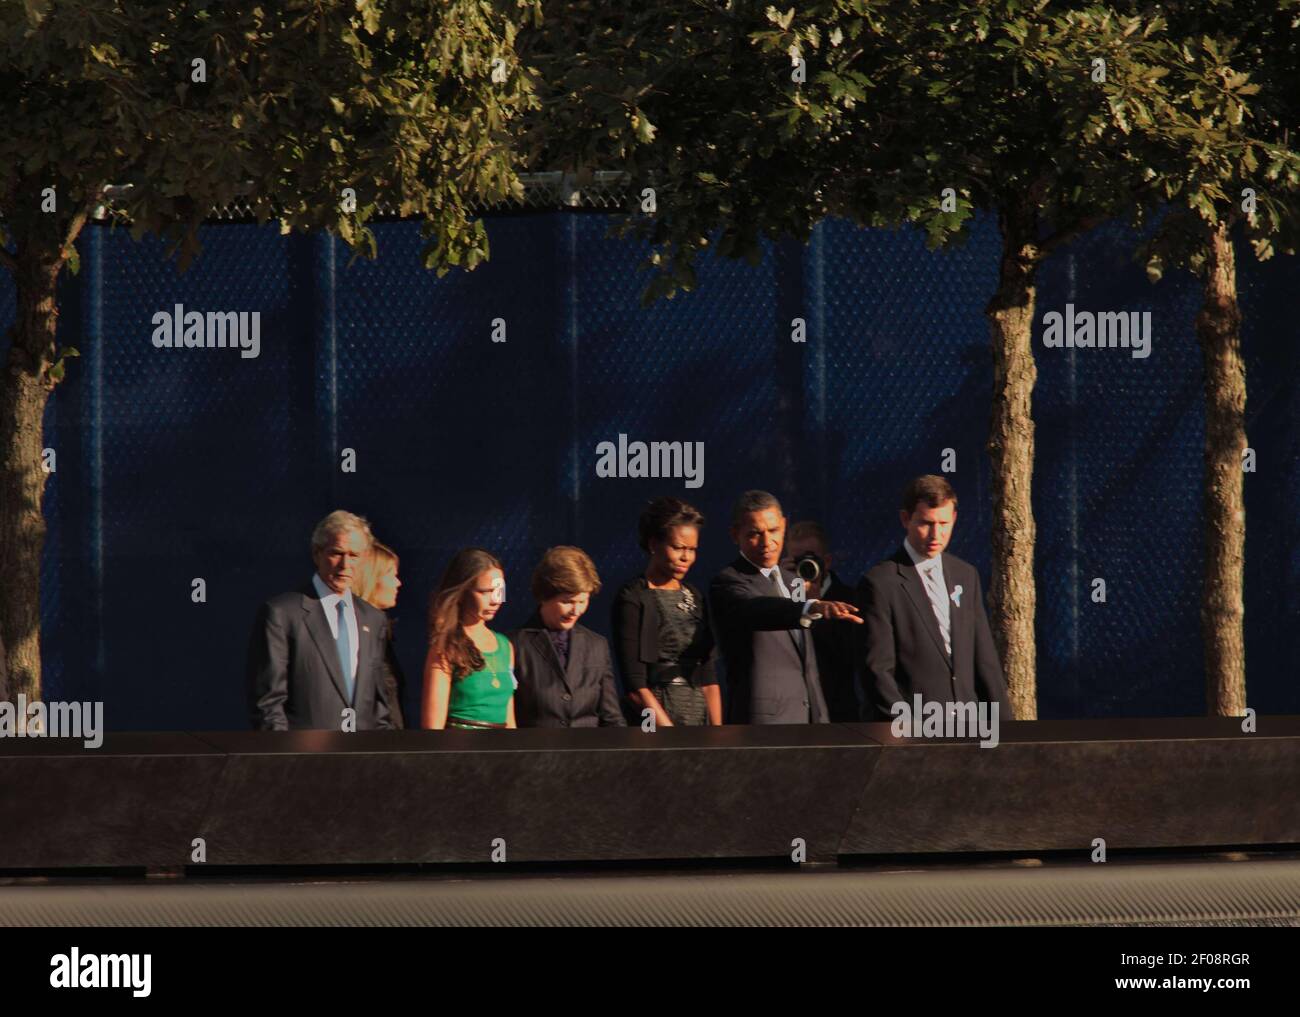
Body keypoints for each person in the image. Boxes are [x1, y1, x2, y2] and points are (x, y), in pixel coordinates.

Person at [857, 475, 1012, 721]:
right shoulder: (880, 582)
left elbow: (984, 660)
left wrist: (1006, 730)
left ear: (954, 519)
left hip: (968, 727)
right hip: (915, 732)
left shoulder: (965, 575)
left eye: (944, 523)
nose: (935, 534)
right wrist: (907, 726)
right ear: (906, 519)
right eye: (926, 523)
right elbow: (877, 669)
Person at [709, 491, 861, 724]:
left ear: (784, 525)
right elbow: (757, 609)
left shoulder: (794, 582)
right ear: (734, 534)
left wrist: (820, 713)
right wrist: (809, 607)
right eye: (754, 534)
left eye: (773, 531)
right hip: (764, 724)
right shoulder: (729, 581)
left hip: (811, 718)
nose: (766, 542)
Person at [247, 510, 393, 731]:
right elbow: (268, 703)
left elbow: (379, 704)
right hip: (304, 758)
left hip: (363, 758)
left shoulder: (373, 619)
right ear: (317, 554)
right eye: (337, 553)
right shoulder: (281, 614)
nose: (345, 564)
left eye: (354, 555)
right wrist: (284, 760)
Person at [612, 497, 720, 727]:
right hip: (654, 724)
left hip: (700, 720)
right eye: (678, 547)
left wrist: (717, 737)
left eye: (692, 549)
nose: (686, 558)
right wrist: (670, 735)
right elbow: (635, 686)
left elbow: (709, 678)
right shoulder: (633, 597)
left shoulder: (696, 596)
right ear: (653, 544)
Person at [511, 546, 626, 728]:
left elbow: (611, 716)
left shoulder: (597, 645)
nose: (576, 610)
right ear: (544, 596)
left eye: (582, 601)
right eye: (567, 601)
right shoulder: (516, 644)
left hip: (589, 752)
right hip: (536, 753)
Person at [422, 549, 516, 730]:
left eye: (500, 591)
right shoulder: (445, 647)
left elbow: (509, 718)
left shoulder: (506, 646)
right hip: (462, 752)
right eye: (486, 591)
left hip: (502, 752)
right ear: (463, 591)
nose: (496, 600)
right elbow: (432, 728)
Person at [782, 520, 862, 723]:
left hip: (838, 713)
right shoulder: (778, 601)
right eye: (797, 559)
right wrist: (783, 589)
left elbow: (850, 657)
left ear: (826, 561)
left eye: (811, 558)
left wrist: (816, 606)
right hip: (790, 714)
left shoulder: (851, 599)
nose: (805, 566)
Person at [353, 540, 406, 728]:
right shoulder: (353, 639)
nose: (398, 583)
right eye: (391, 575)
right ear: (370, 578)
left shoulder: (382, 634)